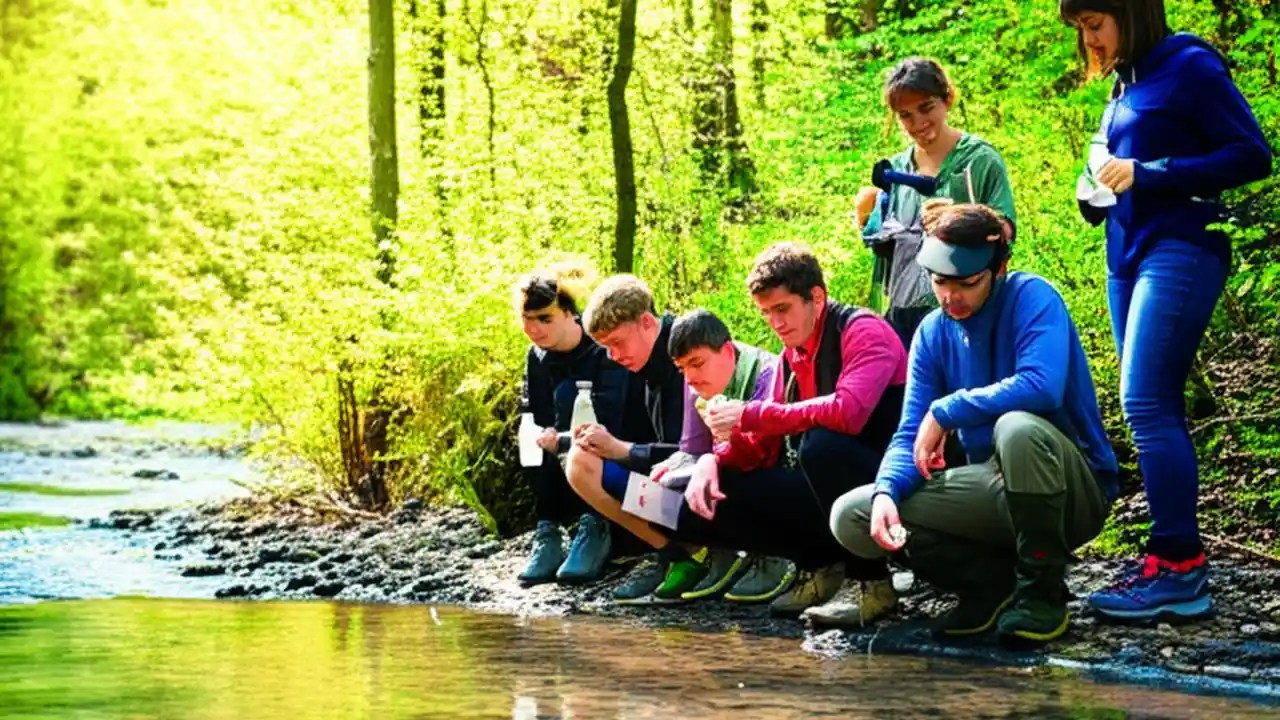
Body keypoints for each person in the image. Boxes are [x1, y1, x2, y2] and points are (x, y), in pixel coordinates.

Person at [1060, 0, 1271, 621]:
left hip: (1180, 247)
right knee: (1150, 405)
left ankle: (1180, 569)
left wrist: (1150, 171)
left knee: (1146, 401)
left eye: (1094, 24)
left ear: (1131, 11)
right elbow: (1114, 165)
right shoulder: (1127, 81)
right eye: (1080, 30)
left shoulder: (1191, 66)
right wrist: (1096, 190)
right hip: (1123, 254)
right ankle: (1166, 560)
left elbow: (1251, 155)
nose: (1089, 40)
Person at [830, 200, 1119, 644]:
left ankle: (1042, 594)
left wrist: (947, 410)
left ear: (998, 269)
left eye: (966, 283)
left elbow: (1042, 386)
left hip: (1071, 488)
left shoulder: (1033, 298)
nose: (950, 296)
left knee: (1016, 427)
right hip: (995, 486)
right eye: (940, 281)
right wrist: (888, 488)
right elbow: (910, 432)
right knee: (853, 515)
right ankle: (992, 587)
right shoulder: (931, 331)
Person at [676, 243, 907, 621]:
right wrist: (712, 460)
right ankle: (819, 566)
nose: (776, 323)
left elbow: (848, 413)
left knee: (819, 447)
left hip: (893, 475)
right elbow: (763, 446)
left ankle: (872, 583)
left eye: (782, 309)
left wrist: (751, 413)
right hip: (840, 479)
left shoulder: (863, 331)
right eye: (766, 313)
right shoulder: (792, 355)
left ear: (816, 297)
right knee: (731, 483)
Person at [610, 309, 797, 604]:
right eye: (682, 369)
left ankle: (774, 554)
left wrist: (711, 458)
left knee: (728, 482)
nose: (691, 377)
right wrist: (670, 470)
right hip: (726, 466)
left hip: (772, 476)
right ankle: (716, 552)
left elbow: (764, 452)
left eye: (697, 364)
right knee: (644, 495)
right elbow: (692, 450)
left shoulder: (767, 373)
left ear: (725, 350)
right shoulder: (694, 383)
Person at [859, 57, 1017, 348]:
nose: (917, 123)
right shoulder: (895, 171)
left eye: (926, 108)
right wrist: (869, 220)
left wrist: (963, 218)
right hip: (904, 319)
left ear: (947, 99)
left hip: (971, 314)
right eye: (905, 116)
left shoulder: (980, 161)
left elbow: (1005, 230)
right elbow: (886, 256)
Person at [563, 274, 686, 588]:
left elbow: (696, 455)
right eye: (606, 347)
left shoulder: (688, 355)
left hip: (710, 496)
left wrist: (621, 449)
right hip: (674, 489)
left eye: (617, 343)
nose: (613, 356)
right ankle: (672, 553)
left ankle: (701, 552)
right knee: (581, 461)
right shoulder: (643, 363)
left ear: (646, 322)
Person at [512, 262, 628, 585]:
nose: (534, 329)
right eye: (527, 319)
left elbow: (612, 417)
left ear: (568, 313)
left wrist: (563, 438)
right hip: (558, 453)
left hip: (613, 448)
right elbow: (536, 415)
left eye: (544, 319)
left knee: (569, 397)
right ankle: (548, 531)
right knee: (528, 432)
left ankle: (595, 525)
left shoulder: (602, 348)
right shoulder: (536, 357)